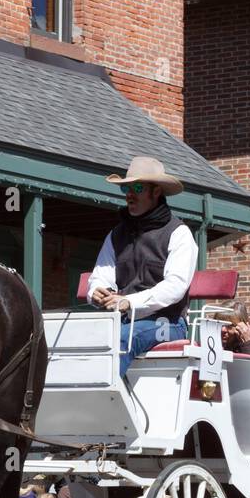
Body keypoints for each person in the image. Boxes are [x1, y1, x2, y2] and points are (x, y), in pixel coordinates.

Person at [86, 157, 198, 376]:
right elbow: (100, 277)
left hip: (170, 323)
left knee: (121, 339)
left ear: (156, 191)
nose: (129, 193)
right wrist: (97, 292)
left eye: (137, 187)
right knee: (81, 339)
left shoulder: (179, 233)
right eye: (126, 188)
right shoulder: (116, 234)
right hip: (124, 322)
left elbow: (175, 286)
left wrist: (129, 301)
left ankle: (100, 405)